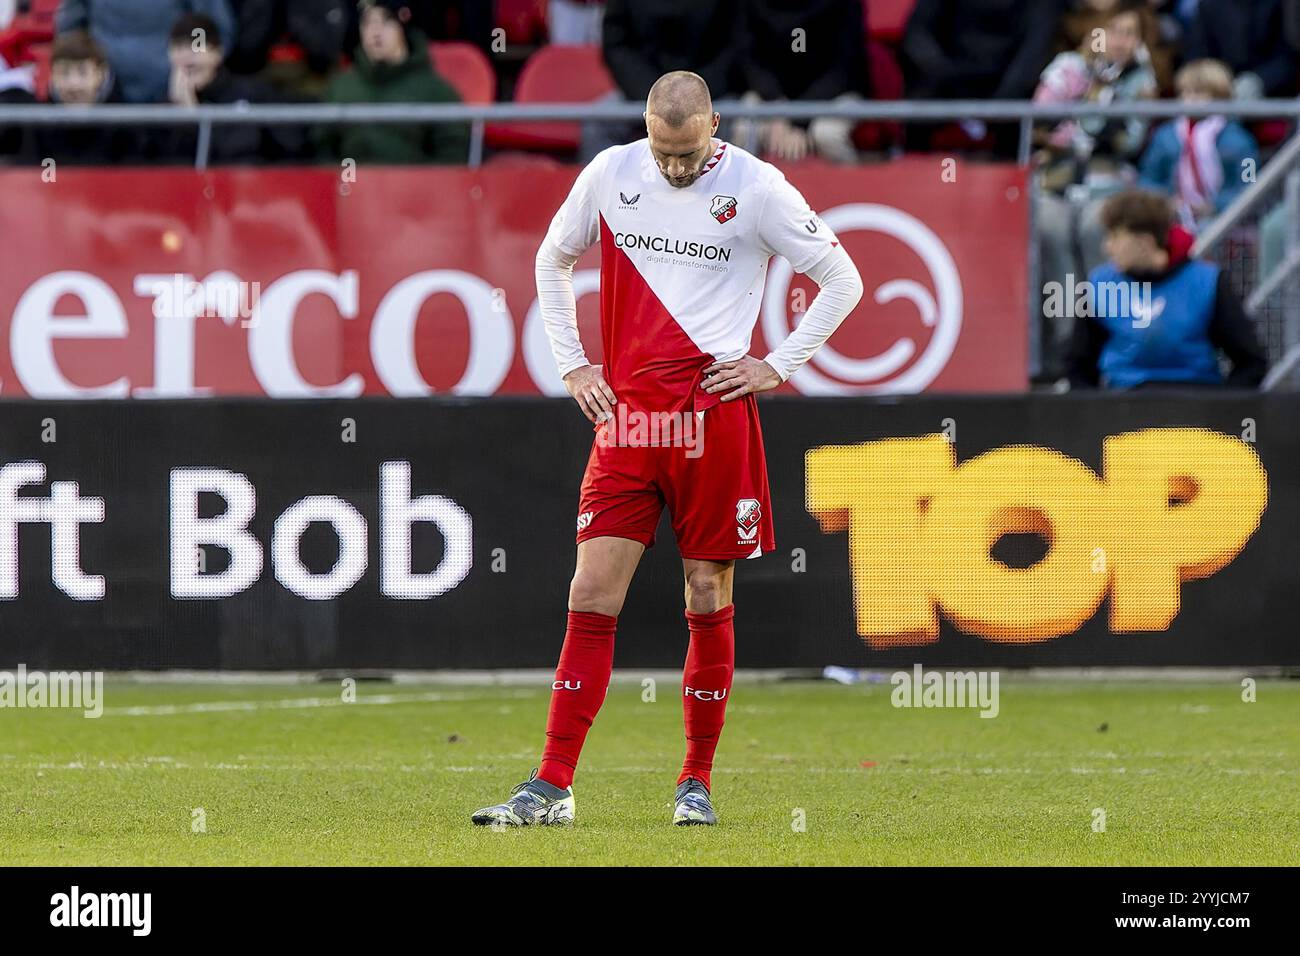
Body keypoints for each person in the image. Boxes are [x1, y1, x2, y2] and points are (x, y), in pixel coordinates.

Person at [470, 71, 864, 828]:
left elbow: (840, 279)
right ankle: (550, 786)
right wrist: (574, 364)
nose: (676, 167)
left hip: (713, 420)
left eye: (688, 152)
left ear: (715, 123)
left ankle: (695, 782)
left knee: (707, 594)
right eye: (663, 150)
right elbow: (551, 260)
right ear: (644, 128)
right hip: (631, 423)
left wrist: (776, 365)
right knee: (589, 592)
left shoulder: (759, 187)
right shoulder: (610, 172)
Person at [1033, 0, 1158, 377]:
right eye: (1114, 30)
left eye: (1130, 33)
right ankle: (1065, 351)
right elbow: (1039, 124)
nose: (1120, 41)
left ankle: (1107, 344)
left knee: (1095, 230)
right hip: (1055, 183)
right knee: (1051, 229)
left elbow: (1128, 141)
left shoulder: (1141, 82)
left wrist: (1082, 119)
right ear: (1095, 32)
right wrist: (1091, 117)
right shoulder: (1066, 68)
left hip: (1109, 185)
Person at [1068, 190, 1267, 389]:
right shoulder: (1099, 285)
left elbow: (1250, 361)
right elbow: (1078, 365)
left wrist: (1221, 411)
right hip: (1125, 405)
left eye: (1115, 236)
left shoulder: (1207, 282)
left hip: (1196, 405)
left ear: (1144, 242)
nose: (1107, 247)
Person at [316, 0, 467, 165]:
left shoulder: (437, 91)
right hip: (352, 188)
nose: (375, 31)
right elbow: (321, 152)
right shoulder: (339, 88)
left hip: (413, 189)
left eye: (386, 21)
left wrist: (420, 187)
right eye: (367, 22)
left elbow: (453, 157)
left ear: (402, 25)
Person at [150, 13, 311, 163]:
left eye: (197, 45)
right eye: (178, 46)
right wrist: (184, 117)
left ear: (218, 52)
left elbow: (289, 151)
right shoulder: (156, 114)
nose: (187, 56)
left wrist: (194, 119)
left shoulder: (252, 95)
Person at [1138, 59, 1259, 228]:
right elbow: (1148, 177)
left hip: (1224, 221)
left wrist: (1214, 206)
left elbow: (1250, 184)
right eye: (1186, 92)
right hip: (1173, 217)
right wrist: (1166, 202)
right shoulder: (1165, 136)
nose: (1191, 99)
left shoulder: (1241, 141)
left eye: (1200, 93)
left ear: (1220, 97)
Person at [55, 0, 237, 103]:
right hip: (103, 96)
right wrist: (82, 77)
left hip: (174, 97)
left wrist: (192, 74)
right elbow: (69, 35)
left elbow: (214, 32)